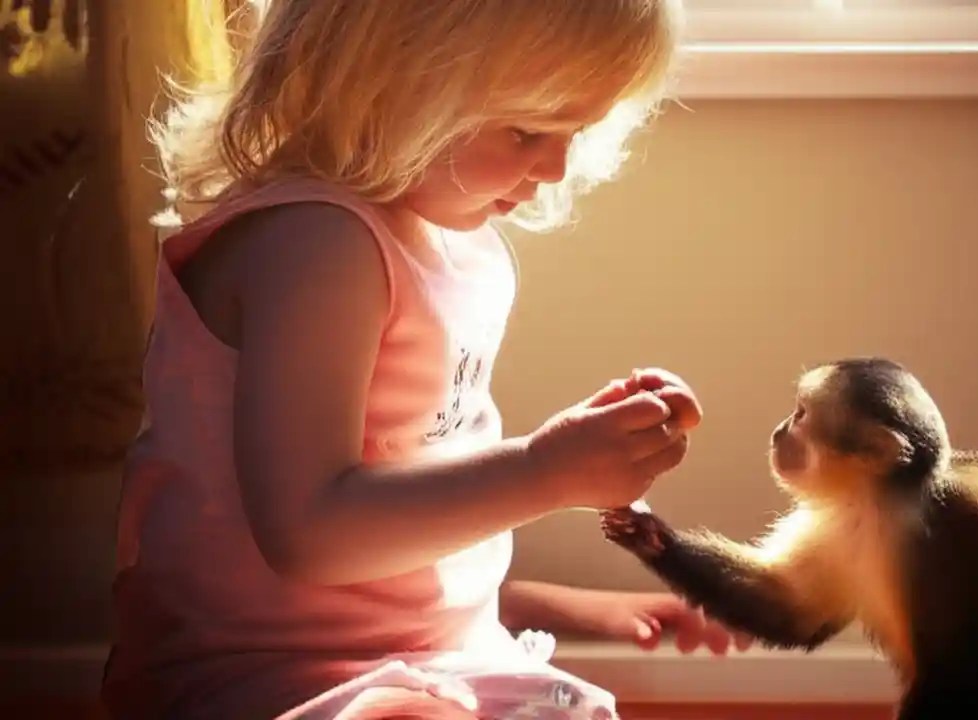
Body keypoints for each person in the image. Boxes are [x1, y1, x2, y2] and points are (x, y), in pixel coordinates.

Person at [99, 1, 748, 718]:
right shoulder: (317, 244)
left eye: (578, 131)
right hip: (252, 677)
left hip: (413, 659)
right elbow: (309, 538)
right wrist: (543, 471)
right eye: (529, 129)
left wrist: (550, 602)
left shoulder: (458, 250)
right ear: (385, 83)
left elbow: (402, 536)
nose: (558, 165)